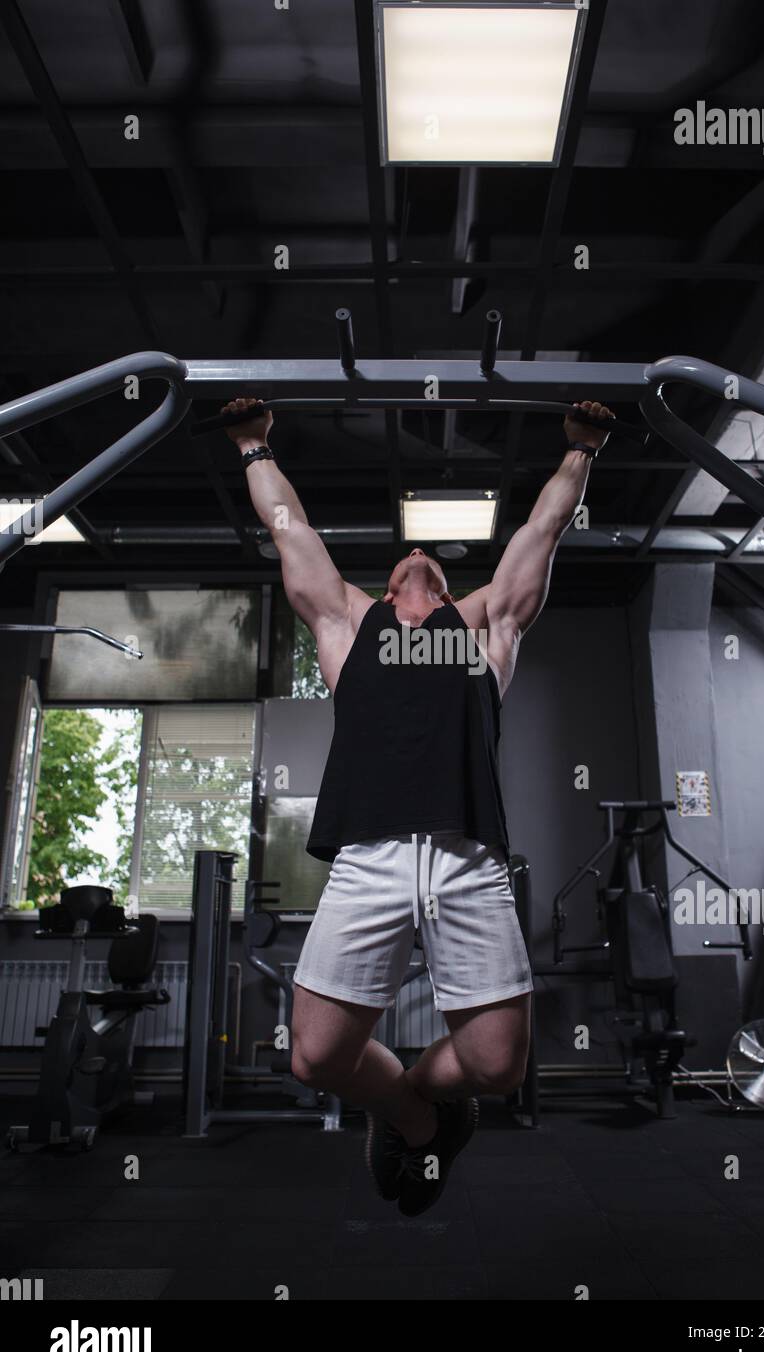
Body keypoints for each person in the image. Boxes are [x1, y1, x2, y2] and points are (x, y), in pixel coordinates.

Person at [222, 396, 613, 1215]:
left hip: (467, 857)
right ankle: (409, 1113)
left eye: (432, 561)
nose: (419, 558)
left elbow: (539, 535)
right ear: (382, 586)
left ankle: (434, 1102)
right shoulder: (348, 623)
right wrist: (257, 449)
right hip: (370, 855)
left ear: (450, 592)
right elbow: (292, 532)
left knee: (501, 1066)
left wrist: (579, 452)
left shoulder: (484, 629)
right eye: (405, 561)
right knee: (317, 1058)